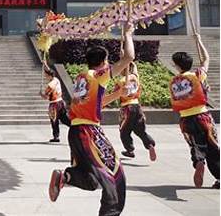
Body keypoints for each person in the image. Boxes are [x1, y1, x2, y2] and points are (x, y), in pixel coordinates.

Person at [48, 24, 135, 216]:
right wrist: (128, 33)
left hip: (77, 132)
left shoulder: (83, 77)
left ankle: (67, 177)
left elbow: (97, 102)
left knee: (92, 180)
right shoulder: (98, 75)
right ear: (103, 61)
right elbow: (129, 57)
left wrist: (118, 93)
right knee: (115, 177)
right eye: (107, 61)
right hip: (89, 132)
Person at [169, 33, 219, 189]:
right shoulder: (197, 74)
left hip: (185, 120)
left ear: (177, 66)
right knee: (212, 148)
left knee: (194, 145)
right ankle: (219, 177)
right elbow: (206, 59)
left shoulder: (173, 81)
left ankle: (198, 161)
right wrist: (199, 40)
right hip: (203, 116)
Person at [103, 62, 156, 161]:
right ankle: (149, 144)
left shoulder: (122, 81)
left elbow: (116, 94)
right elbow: (134, 68)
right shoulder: (136, 78)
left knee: (124, 131)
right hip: (137, 106)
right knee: (140, 130)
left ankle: (130, 150)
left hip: (127, 108)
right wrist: (128, 60)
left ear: (124, 69)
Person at [40, 67, 70, 142]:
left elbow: (46, 97)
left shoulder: (50, 85)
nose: (45, 77)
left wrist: (41, 94)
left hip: (54, 104)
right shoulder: (56, 80)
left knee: (54, 120)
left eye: (46, 75)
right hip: (60, 102)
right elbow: (49, 70)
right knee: (64, 118)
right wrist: (45, 64)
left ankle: (56, 136)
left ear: (49, 76)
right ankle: (75, 127)